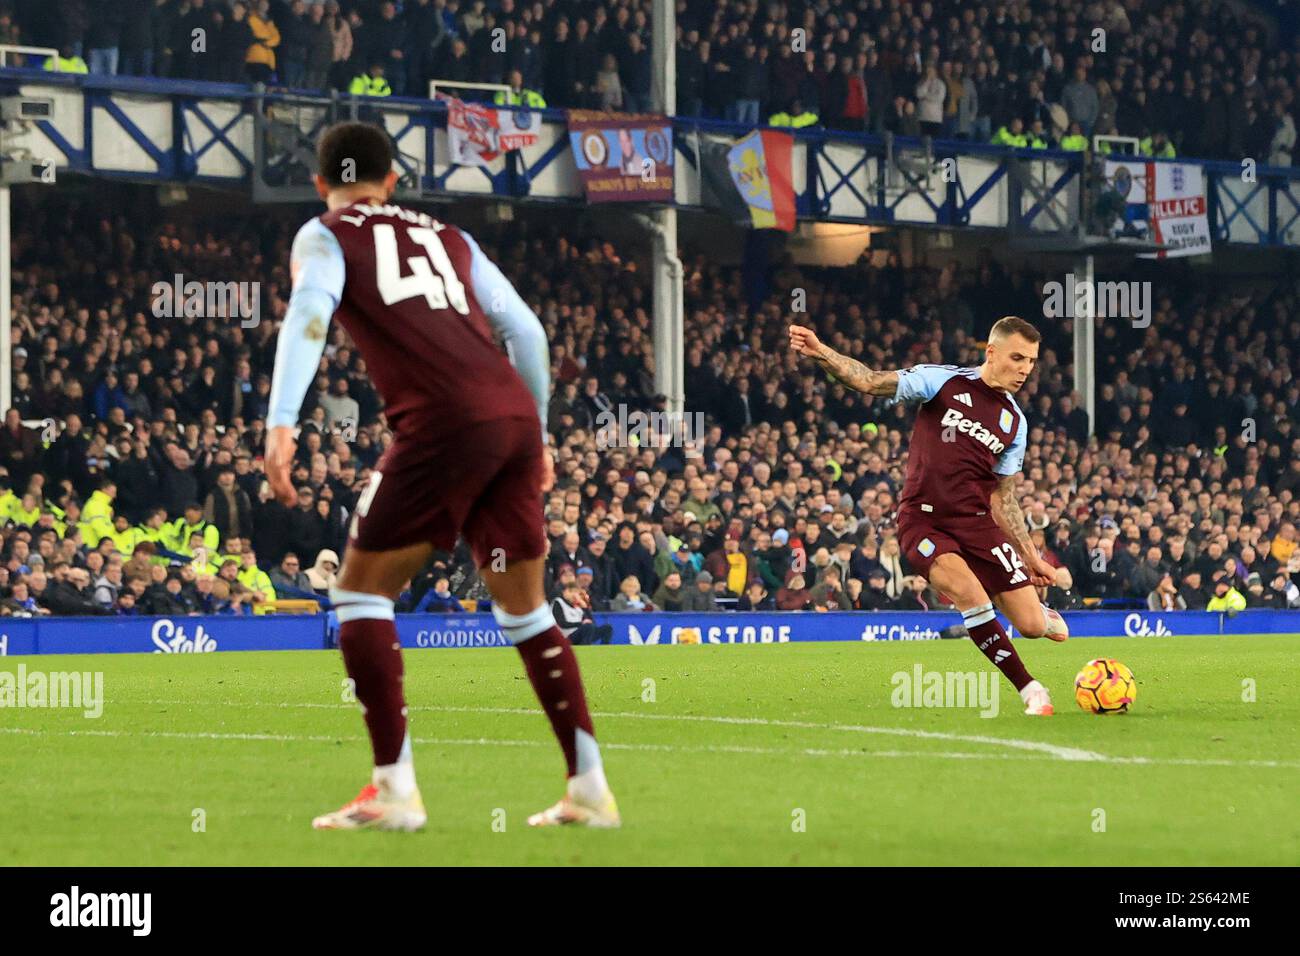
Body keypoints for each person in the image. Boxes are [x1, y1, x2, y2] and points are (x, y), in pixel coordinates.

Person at [266, 122, 617, 831]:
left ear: (320, 184)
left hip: (445, 420)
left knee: (361, 592)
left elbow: (309, 313)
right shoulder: (451, 238)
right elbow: (528, 333)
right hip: (513, 415)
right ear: (394, 180)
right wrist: (538, 431)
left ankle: (393, 791)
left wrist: (281, 421)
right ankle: (589, 789)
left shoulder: (326, 232)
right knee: (525, 610)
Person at [791, 315, 1067, 716]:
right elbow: (869, 380)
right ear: (991, 352)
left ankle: (1042, 615)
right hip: (924, 521)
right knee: (971, 596)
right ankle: (1031, 690)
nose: (1025, 369)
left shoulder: (1015, 422)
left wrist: (1030, 557)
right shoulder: (942, 381)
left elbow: (1003, 499)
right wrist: (822, 354)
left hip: (977, 523)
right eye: (1018, 358)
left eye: (1031, 361)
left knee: (1031, 626)